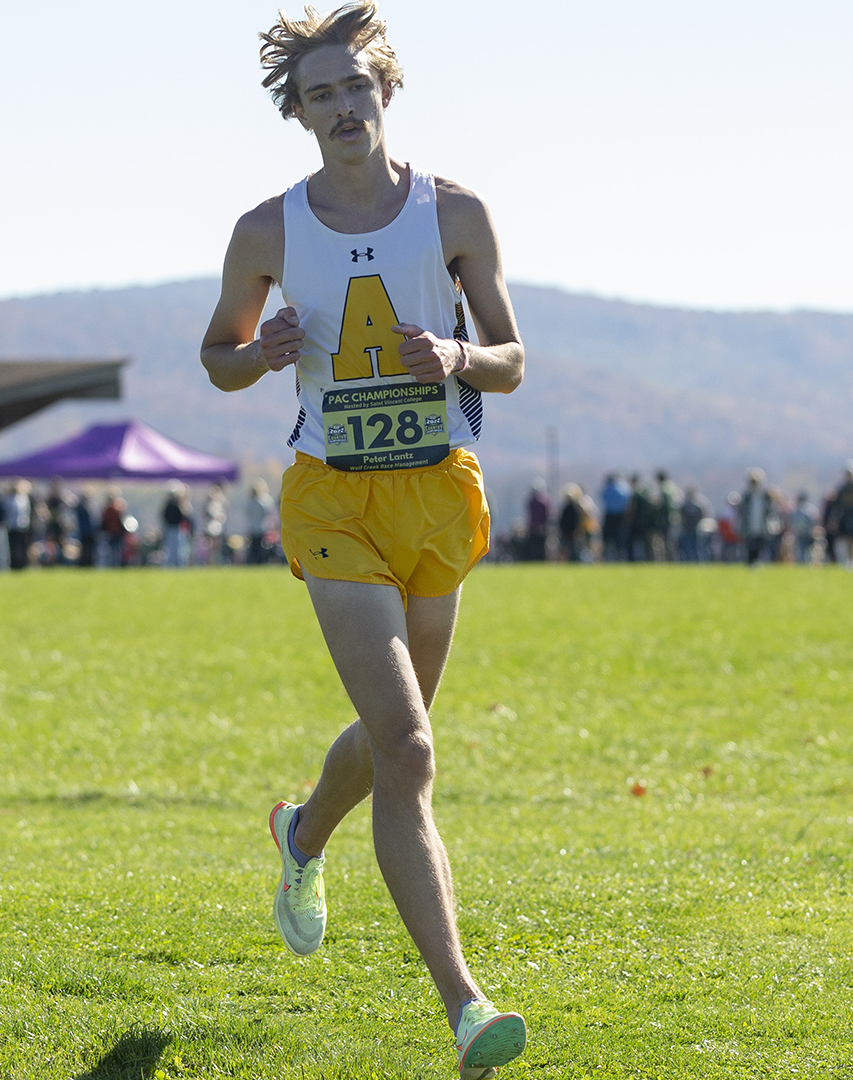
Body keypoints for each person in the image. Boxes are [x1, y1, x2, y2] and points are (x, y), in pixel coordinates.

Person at [197, 5, 528, 1071]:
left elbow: (514, 357)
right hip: (331, 499)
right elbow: (218, 356)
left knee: (397, 736)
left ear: (387, 89)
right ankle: (466, 1006)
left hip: (435, 491)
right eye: (320, 94)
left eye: (356, 87)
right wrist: (264, 352)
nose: (342, 107)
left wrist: (459, 360)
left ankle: (302, 834)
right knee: (412, 747)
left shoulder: (457, 211)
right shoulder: (267, 231)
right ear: (297, 112)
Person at [159, 482, 192, 568]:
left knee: (177, 549)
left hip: (175, 529)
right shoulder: (172, 506)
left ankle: (177, 565)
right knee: (173, 549)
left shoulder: (175, 505)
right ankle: (172, 565)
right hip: (173, 529)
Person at [247, 478, 279, 565]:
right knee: (255, 547)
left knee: (261, 547)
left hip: (262, 527)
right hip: (256, 527)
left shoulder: (264, 500)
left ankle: (260, 562)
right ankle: (255, 562)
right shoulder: (255, 500)